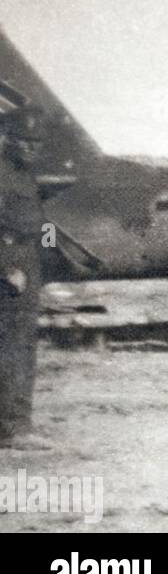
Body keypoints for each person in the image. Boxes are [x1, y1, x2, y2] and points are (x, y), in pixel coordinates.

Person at [0, 107, 52, 450]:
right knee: (14, 347)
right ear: (8, 139)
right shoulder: (3, 174)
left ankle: (16, 423)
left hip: (28, 260)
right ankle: (14, 429)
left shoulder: (23, 174)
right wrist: (7, 268)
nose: (31, 149)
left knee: (23, 345)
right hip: (12, 265)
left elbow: (36, 223)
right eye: (24, 142)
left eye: (36, 143)